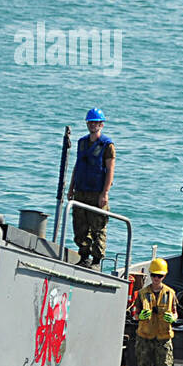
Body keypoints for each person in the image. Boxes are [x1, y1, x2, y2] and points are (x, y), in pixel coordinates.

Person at [67, 108, 115, 267]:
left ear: (101, 124)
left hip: (97, 193)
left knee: (98, 228)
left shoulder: (107, 145)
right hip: (81, 190)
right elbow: (77, 165)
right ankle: (84, 256)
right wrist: (71, 187)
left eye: (96, 122)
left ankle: (96, 260)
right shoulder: (82, 142)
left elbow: (110, 171)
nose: (93, 125)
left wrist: (105, 193)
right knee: (80, 226)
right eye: (90, 122)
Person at [135, 257, 177, 366]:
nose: (156, 278)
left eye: (159, 276)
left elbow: (175, 312)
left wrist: (173, 318)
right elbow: (135, 314)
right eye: (153, 275)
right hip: (145, 337)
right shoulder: (142, 293)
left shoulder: (170, 293)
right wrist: (140, 316)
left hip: (163, 338)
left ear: (164, 276)